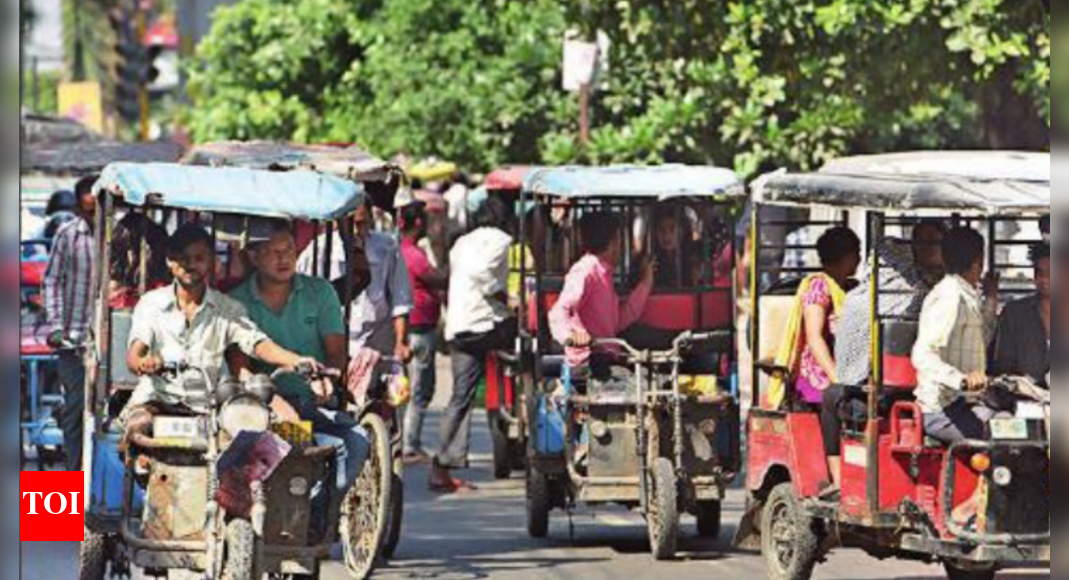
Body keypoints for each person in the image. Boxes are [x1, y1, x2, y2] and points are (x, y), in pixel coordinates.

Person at [228, 220, 370, 536]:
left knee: (357, 441)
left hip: (308, 405)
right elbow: (240, 367)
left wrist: (328, 379)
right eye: (273, 252)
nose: (283, 259)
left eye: (289, 250)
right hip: (258, 407)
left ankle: (317, 517)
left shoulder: (319, 293)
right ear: (253, 256)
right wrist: (272, 400)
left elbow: (335, 352)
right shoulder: (237, 301)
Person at [123, 223, 320, 427]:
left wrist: (296, 361)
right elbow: (134, 354)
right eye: (183, 259)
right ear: (170, 261)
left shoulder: (228, 308)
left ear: (211, 262)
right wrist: (144, 362)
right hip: (155, 402)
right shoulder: (151, 303)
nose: (191, 265)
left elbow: (257, 342)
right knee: (140, 426)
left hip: (208, 410)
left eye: (199, 258)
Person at [823, 221, 945, 489]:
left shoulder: (938, 292)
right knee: (837, 394)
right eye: (921, 242)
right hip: (890, 383)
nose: (926, 249)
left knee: (833, 395)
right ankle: (842, 479)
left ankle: (841, 480)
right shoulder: (874, 297)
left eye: (932, 242)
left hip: (908, 387)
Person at [912, 227, 1000, 526]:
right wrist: (960, 379)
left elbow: (981, 338)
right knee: (1003, 444)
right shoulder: (949, 298)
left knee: (1015, 427)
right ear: (978, 260)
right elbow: (922, 355)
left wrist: (990, 298)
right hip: (941, 408)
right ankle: (966, 511)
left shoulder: (966, 294)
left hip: (965, 403)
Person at [431, 196, 516, 493]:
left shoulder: (461, 243)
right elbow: (485, 278)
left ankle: (441, 466)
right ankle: (521, 406)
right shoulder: (502, 240)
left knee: (460, 397)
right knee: (527, 343)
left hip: (458, 328)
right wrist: (508, 301)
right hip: (484, 327)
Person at [298, 199, 413, 361]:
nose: (354, 231)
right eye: (348, 224)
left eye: (361, 224)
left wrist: (401, 343)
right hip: (331, 342)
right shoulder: (319, 249)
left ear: (371, 220)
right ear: (338, 222)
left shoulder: (387, 247)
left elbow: (401, 301)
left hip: (376, 342)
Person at [767, 227, 861, 411]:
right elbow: (814, 337)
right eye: (856, 253)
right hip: (819, 374)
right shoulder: (818, 287)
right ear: (845, 256)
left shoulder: (852, 288)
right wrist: (837, 379)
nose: (859, 259)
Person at [549, 211, 654, 369]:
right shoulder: (586, 270)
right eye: (620, 239)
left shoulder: (604, 273)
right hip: (589, 364)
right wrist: (571, 335)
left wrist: (646, 282)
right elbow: (558, 312)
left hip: (609, 360)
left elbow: (618, 320)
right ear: (613, 242)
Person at [42, 175, 98, 471]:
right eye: (88, 210)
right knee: (75, 413)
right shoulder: (67, 234)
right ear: (79, 208)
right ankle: (71, 482)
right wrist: (56, 327)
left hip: (111, 343)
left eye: (99, 209)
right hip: (74, 340)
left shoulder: (123, 235)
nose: (94, 216)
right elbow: (51, 281)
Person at [397, 203, 449, 464]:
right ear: (418, 223)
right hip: (419, 330)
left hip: (412, 329)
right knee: (419, 390)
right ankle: (410, 443)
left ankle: (406, 440)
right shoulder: (412, 254)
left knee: (411, 389)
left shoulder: (402, 251)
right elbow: (437, 278)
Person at [992, 243, 1049, 385]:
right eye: (1039, 272)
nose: (1044, 279)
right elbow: (1003, 368)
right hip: (1025, 403)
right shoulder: (1014, 314)